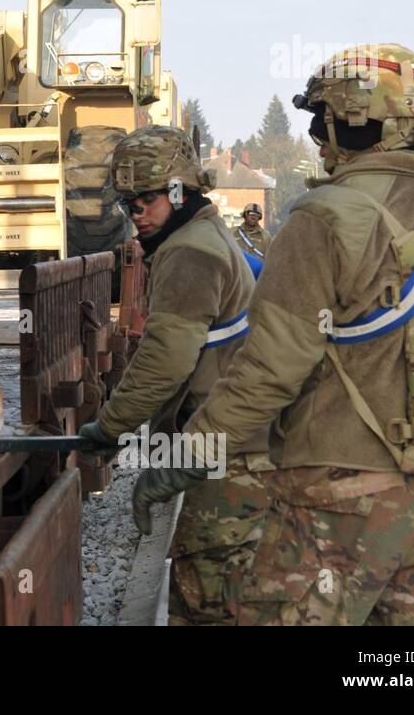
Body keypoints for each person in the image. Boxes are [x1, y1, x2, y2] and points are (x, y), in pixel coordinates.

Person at [132, 44, 414, 625]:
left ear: (355, 125)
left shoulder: (323, 219)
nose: (318, 137)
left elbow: (267, 374)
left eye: (322, 120)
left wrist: (179, 461)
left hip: (334, 506)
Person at [77, 125, 267, 625]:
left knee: (207, 594)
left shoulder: (190, 251)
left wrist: (110, 427)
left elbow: (168, 358)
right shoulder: (200, 236)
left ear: (180, 193)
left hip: (229, 454)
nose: (134, 216)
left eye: (144, 202)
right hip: (227, 441)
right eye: (126, 205)